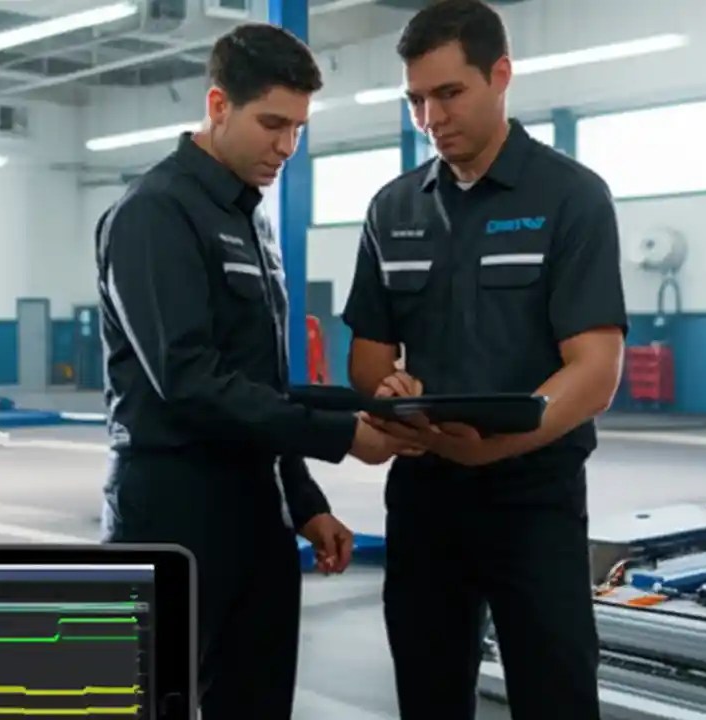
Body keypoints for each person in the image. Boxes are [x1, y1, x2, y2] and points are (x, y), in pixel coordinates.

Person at [94, 22, 411, 720]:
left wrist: (304, 502)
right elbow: (189, 380)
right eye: (272, 124)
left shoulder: (252, 222)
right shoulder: (155, 214)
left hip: (254, 510)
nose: (286, 147)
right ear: (217, 105)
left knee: (257, 700)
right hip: (171, 507)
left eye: (298, 129)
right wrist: (340, 435)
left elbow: (259, 385)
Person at [341, 1, 628, 718]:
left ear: (500, 76)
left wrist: (495, 449)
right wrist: (389, 389)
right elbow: (368, 359)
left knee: (554, 691)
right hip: (424, 499)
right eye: (415, 100)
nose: (431, 117)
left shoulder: (572, 199)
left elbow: (595, 371)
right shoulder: (391, 209)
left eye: (449, 93)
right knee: (428, 694)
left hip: (534, 499)